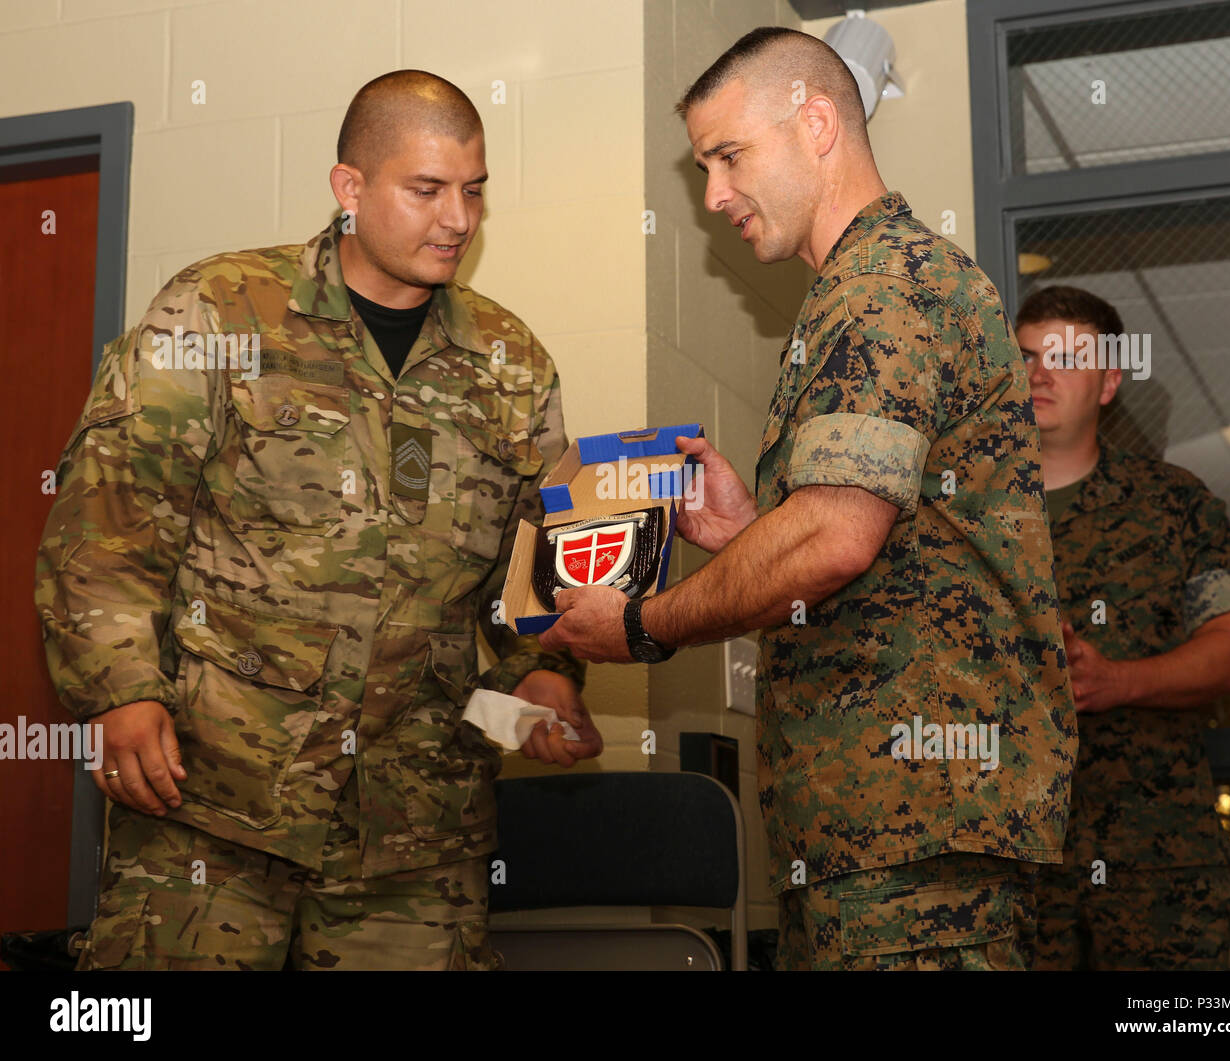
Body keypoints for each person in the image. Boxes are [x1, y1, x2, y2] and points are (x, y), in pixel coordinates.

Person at [35, 69, 601, 971]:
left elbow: (532, 570)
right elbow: (110, 518)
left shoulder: (512, 365)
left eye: (474, 191)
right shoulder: (220, 309)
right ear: (350, 188)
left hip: (418, 827)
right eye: (427, 190)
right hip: (212, 801)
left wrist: (542, 672)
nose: (458, 218)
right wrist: (121, 690)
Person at [538, 28, 1075, 971]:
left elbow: (834, 538)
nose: (714, 194)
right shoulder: (864, 289)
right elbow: (878, 542)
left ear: (816, 123)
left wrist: (642, 625)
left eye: (729, 156)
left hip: (911, 831)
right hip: (885, 825)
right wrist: (753, 532)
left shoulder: (880, 288)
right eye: (703, 167)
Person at [1016, 285, 1230, 970]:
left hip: (1160, 876)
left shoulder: (1174, 504)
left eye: (1066, 358)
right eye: (1026, 356)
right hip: (1014, 878)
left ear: (1109, 383)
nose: (1040, 375)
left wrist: (1118, 681)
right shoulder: (959, 511)